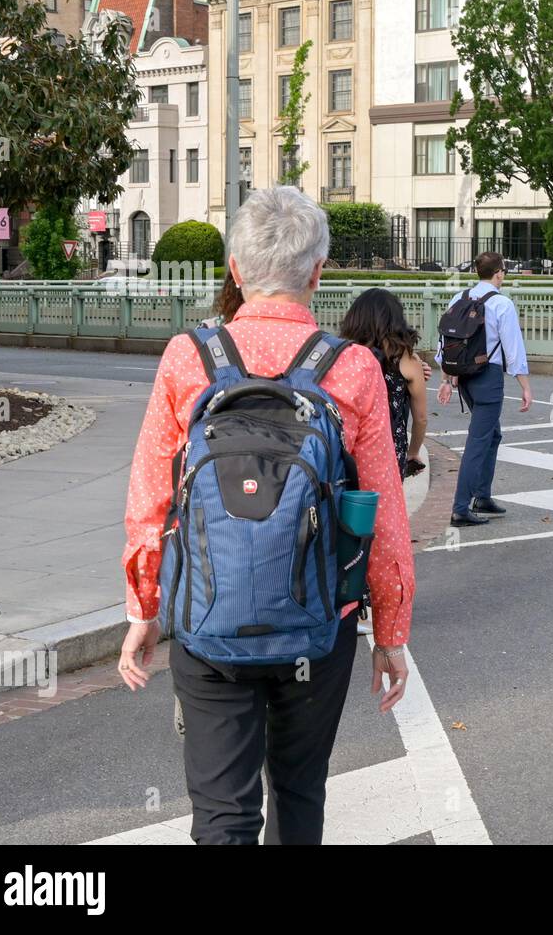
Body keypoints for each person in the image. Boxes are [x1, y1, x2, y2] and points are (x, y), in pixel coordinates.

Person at [117, 186, 416, 845]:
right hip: (318, 624)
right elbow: (385, 518)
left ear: (233, 269)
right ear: (318, 272)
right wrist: (390, 628)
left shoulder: (187, 359)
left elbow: (149, 497)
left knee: (223, 816)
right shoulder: (353, 368)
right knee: (300, 792)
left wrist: (143, 608)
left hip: (209, 621)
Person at [436, 251, 532, 527]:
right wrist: (525, 387)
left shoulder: (460, 298)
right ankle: (460, 507)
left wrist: (446, 379)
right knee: (478, 441)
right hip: (488, 376)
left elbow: (447, 341)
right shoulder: (502, 304)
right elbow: (513, 351)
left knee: (492, 435)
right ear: (499, 273)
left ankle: (482, 496)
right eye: (503, 271)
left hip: (465, 376)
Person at [340, 288, 430, 479]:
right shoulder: (407, 359)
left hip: (348, 446)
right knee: (385, 506)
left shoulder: (343, 355)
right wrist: (412, 453)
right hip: (388, 450)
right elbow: (421, 418)